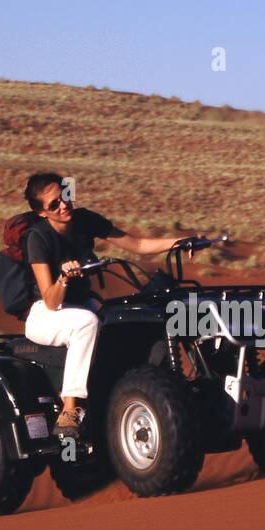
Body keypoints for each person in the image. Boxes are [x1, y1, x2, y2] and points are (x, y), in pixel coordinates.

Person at [21, 172, 181, 437]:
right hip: (47, 314)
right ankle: (69, 409)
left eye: (65, 197)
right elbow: (50, 301)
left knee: (131, 316)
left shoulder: (84, 219)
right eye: (53, 205)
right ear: (41, 213)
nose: (63, 205)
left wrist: (179, 242)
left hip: (82, 305)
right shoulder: (38, 238)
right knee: (87, 323)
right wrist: (63, 278)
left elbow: (138, 244)